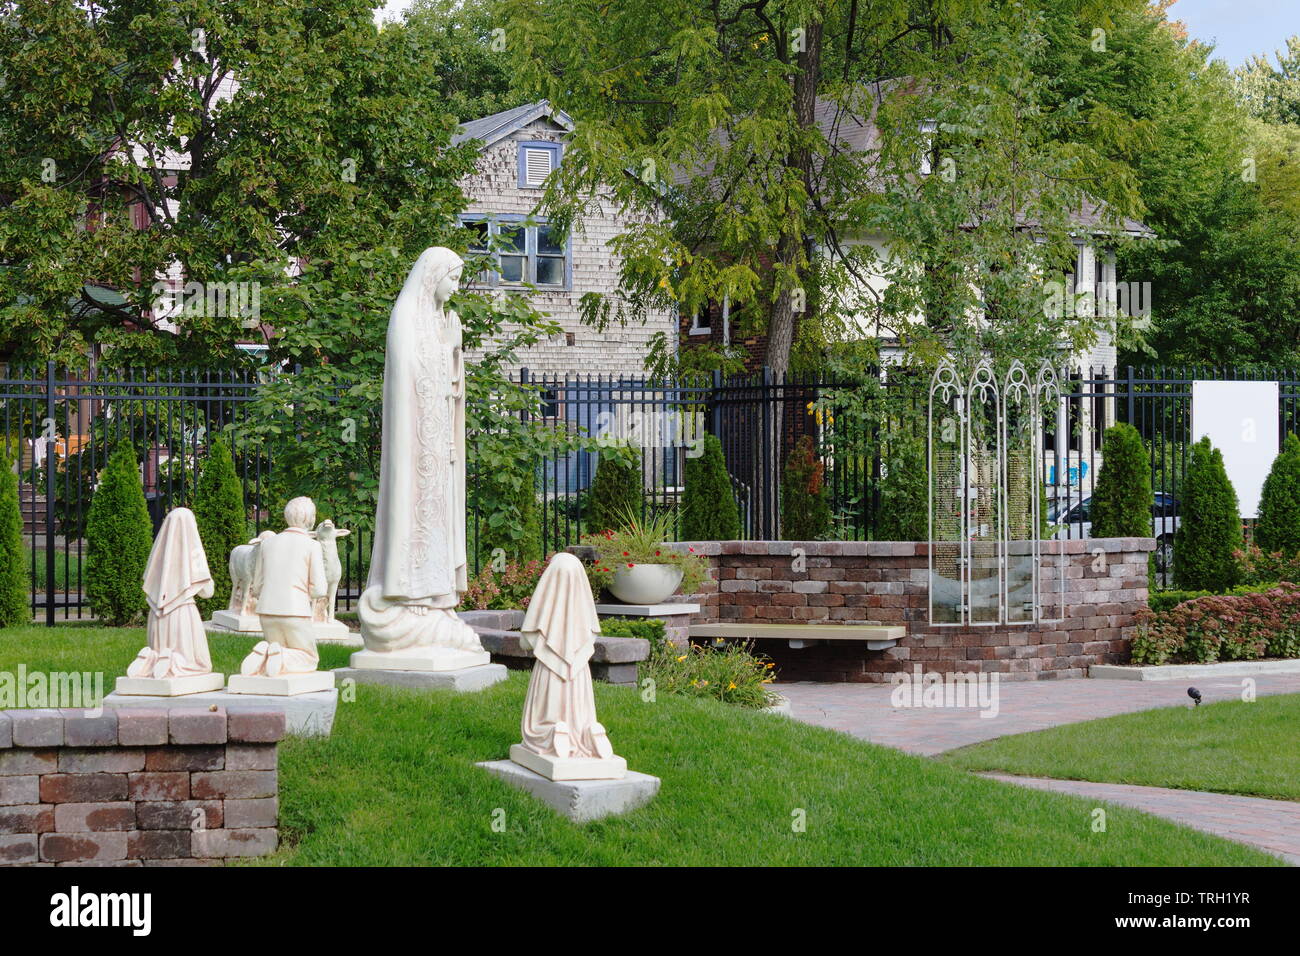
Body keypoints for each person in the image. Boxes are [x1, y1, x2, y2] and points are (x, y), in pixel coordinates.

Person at [357, 246, 485, 659]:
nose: (456, 287)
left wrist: (453, 350)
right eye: (453, 279)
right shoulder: (407, 318)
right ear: (433, 276)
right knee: (416, 519)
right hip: (415, 448)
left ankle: (437, 601)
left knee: (440, 521)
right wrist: (443, 347)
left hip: (439, 446)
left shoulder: (441, 318)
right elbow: (411, 374)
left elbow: (450, 383)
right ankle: (409, 596)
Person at [516, 552, 615, 761]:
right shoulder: (584, 609)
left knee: (541, 719)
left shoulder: (546, 606)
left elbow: (525, 642)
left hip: (549, 669)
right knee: (580, 711)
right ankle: (586, 732)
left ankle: (551, 731)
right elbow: (591, 637)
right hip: (579, 674)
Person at [240, 497, 326, 677]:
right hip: (296, 611)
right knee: (309, 658)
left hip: (267, 611)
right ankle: (279, 656)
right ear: (310, 518)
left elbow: (256, 587)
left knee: (275, 658)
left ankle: (267, 653)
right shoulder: (312, 545)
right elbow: (319, 589)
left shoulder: (268, 543)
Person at [127, 507, 215, 680]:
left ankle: (152, 659)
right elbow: (207, 592)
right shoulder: (194, 551)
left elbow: (149, 581)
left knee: (159, 649)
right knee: (201, 664)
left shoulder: (159, 553)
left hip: (157, 617)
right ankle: (175, 661)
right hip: (183, 614)